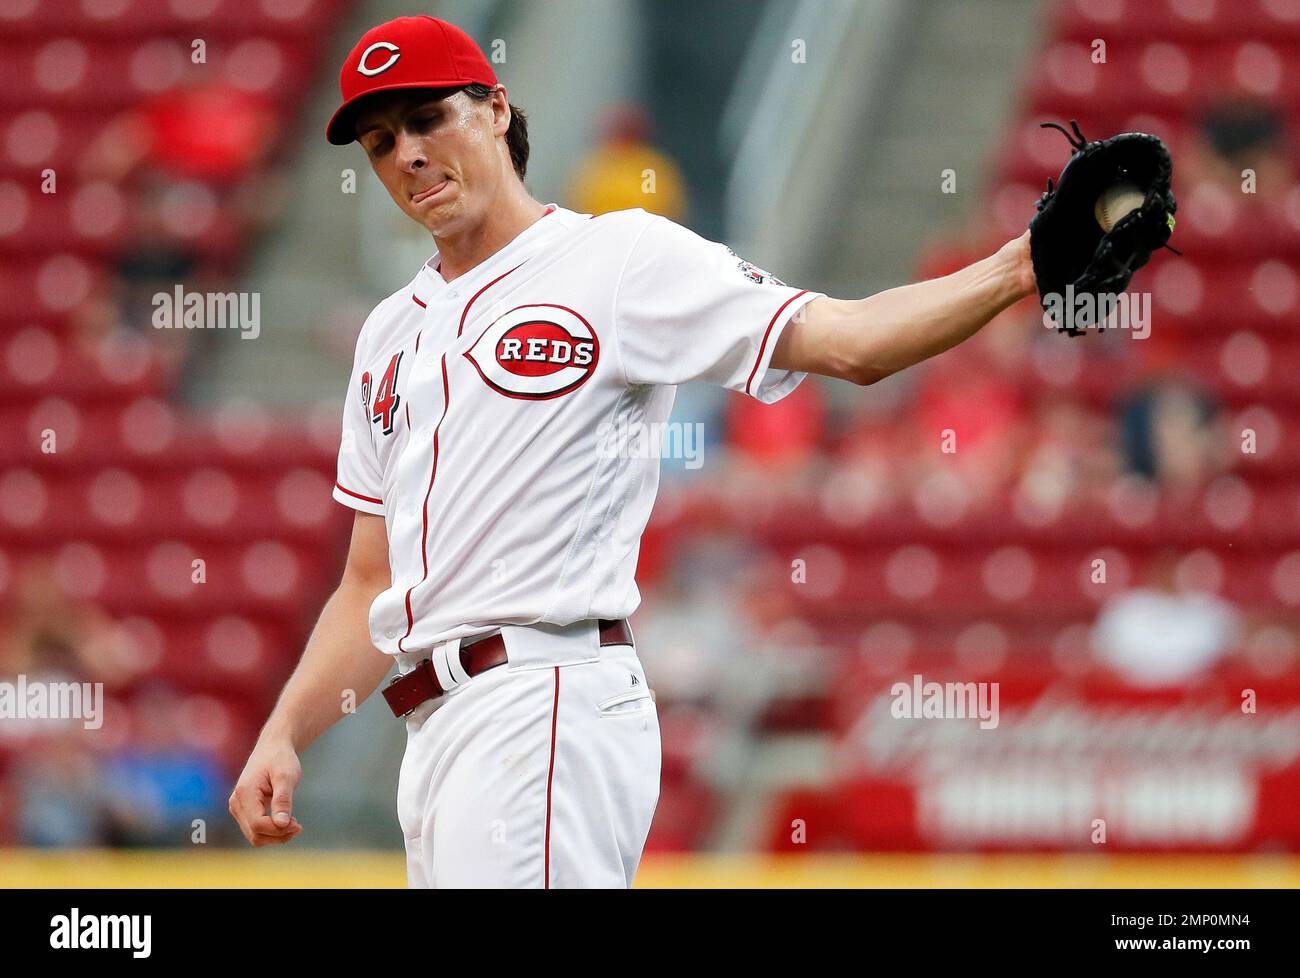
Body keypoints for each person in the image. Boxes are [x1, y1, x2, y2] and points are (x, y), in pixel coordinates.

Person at [228, 15, 1039, 888]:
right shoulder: (388, 332)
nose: (408, 156)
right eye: (382, 142)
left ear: (497, 108)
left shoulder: (617, 258)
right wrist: (286, 728)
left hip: (542, 695)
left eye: (430, 119)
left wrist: (1016, 269)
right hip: (438, 727)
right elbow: (367, 581)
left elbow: (844, 341)